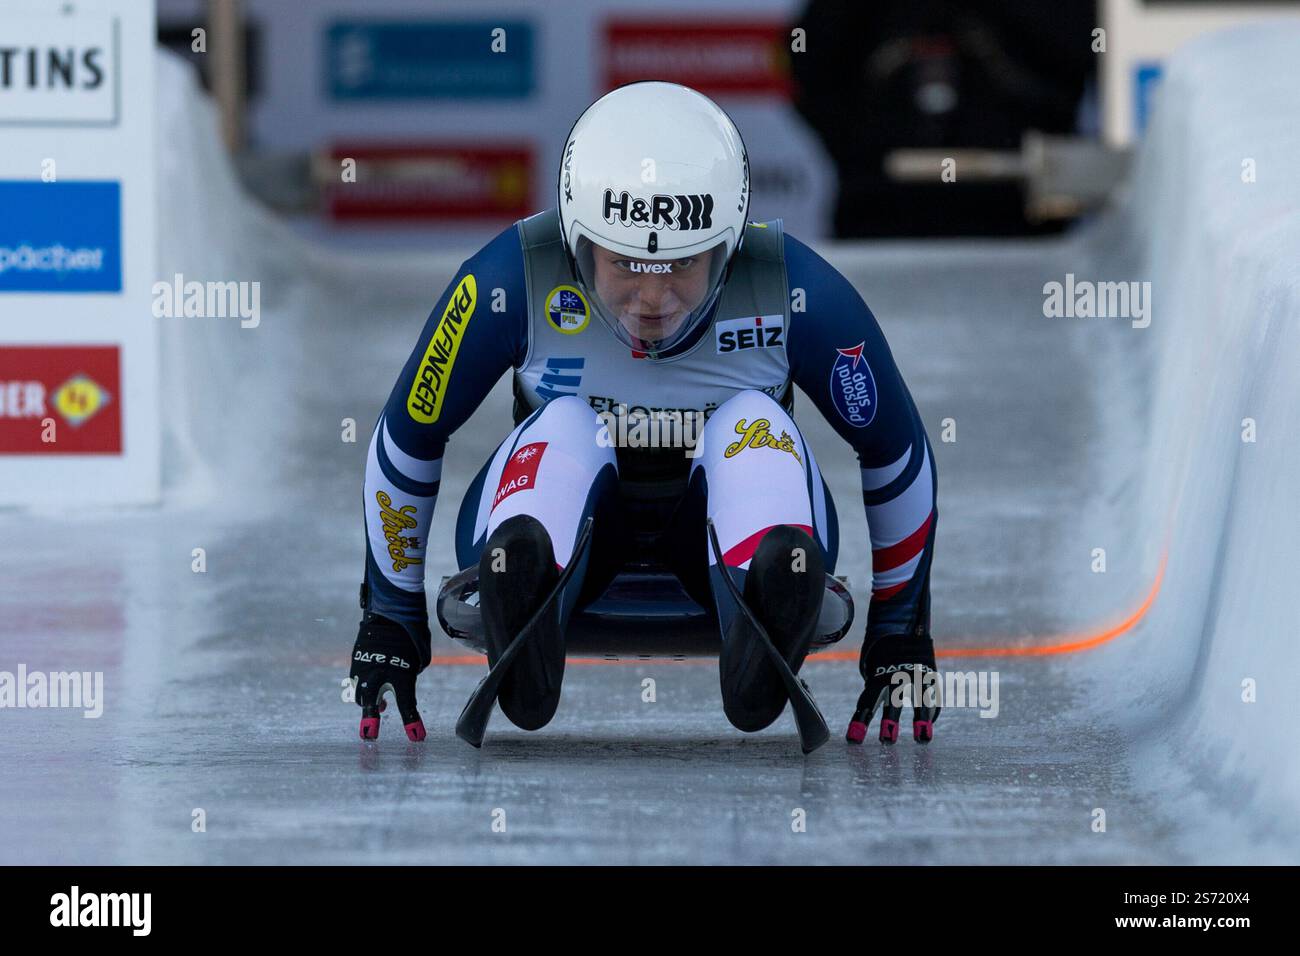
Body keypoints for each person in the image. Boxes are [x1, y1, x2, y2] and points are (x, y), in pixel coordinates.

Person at [346, 81, 939, 748]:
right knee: (566, 422)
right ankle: (529, 586)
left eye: (683, 264)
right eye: (625, 262)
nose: (653, 297)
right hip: (565, 516)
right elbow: (412, 432)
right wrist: (390, 622)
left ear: (730, 244)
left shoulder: (796, 289)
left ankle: (766, 595)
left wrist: (900, 632)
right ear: (576, 242)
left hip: (722, 527)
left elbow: (893, 446)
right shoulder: (508, 278)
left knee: (754, 421)